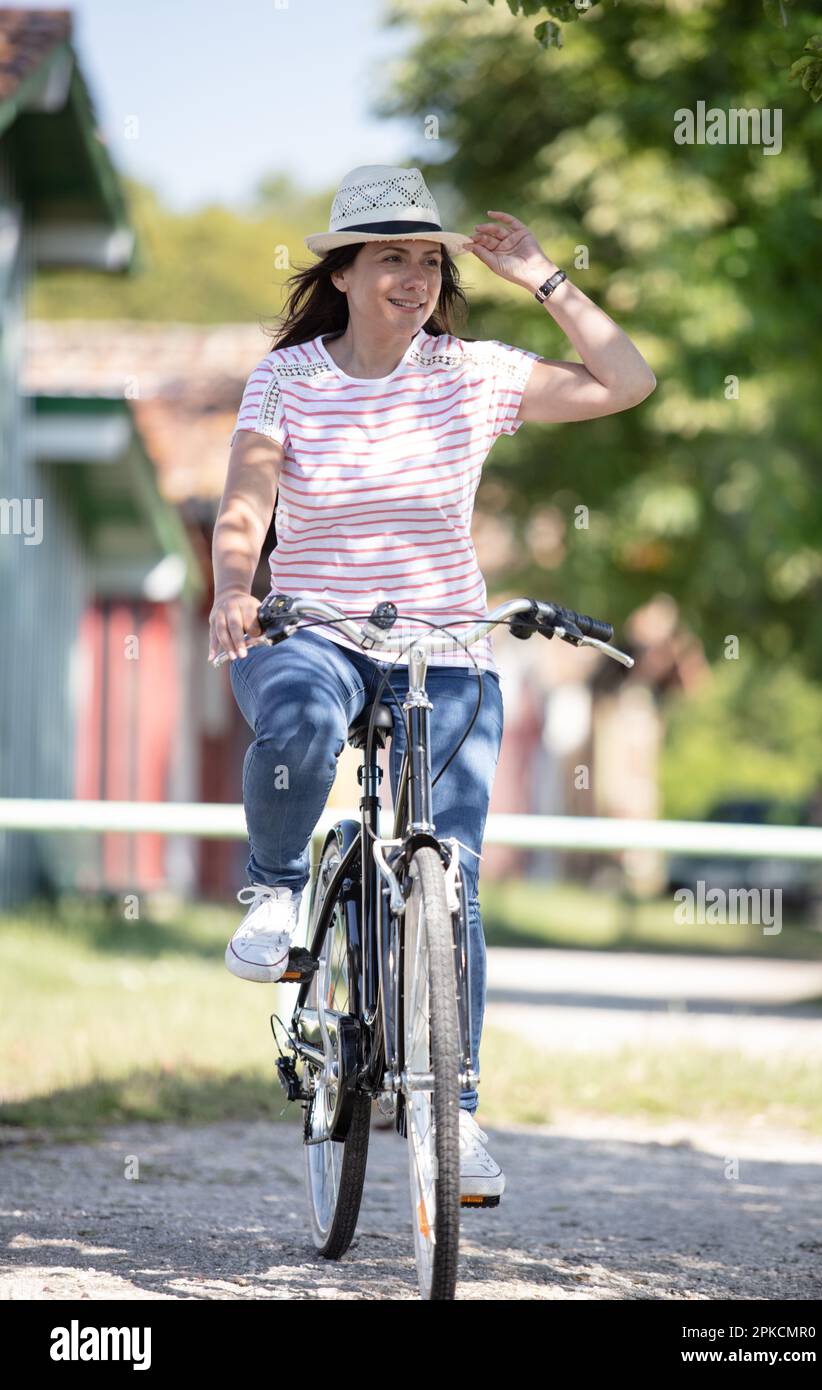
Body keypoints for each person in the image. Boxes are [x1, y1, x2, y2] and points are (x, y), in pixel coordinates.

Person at [208, 163, 656, 1203]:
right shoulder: (287, 378)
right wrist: (236, 585)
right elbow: (244, 503)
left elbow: (625, 382)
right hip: (313, 627)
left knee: (448, 876)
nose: (413, 276)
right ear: (346, 272)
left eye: (427, 259)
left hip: (443, 646)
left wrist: (543, 275)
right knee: (300, 715)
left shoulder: (470, 372)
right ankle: (275, 894)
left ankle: (453, 1115)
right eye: (390, 258)